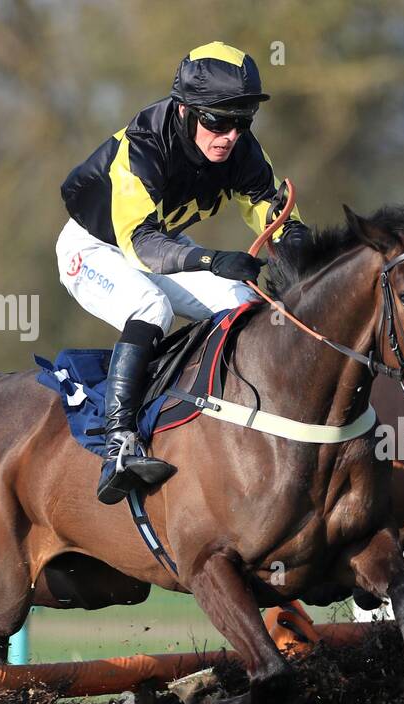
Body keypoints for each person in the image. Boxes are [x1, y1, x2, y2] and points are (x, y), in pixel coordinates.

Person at [57, 42, 306, 504]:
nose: (230, 134)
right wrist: (213, 260)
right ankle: (119, 444)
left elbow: (272, 212)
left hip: (163, 244)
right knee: (150, 306)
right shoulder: (144, 147)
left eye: (242, 121)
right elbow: (143, 246)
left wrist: (297, 244)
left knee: (246, 306)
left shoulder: (243, 151)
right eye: (217, 120)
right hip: (94, 248)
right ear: (186, 109)